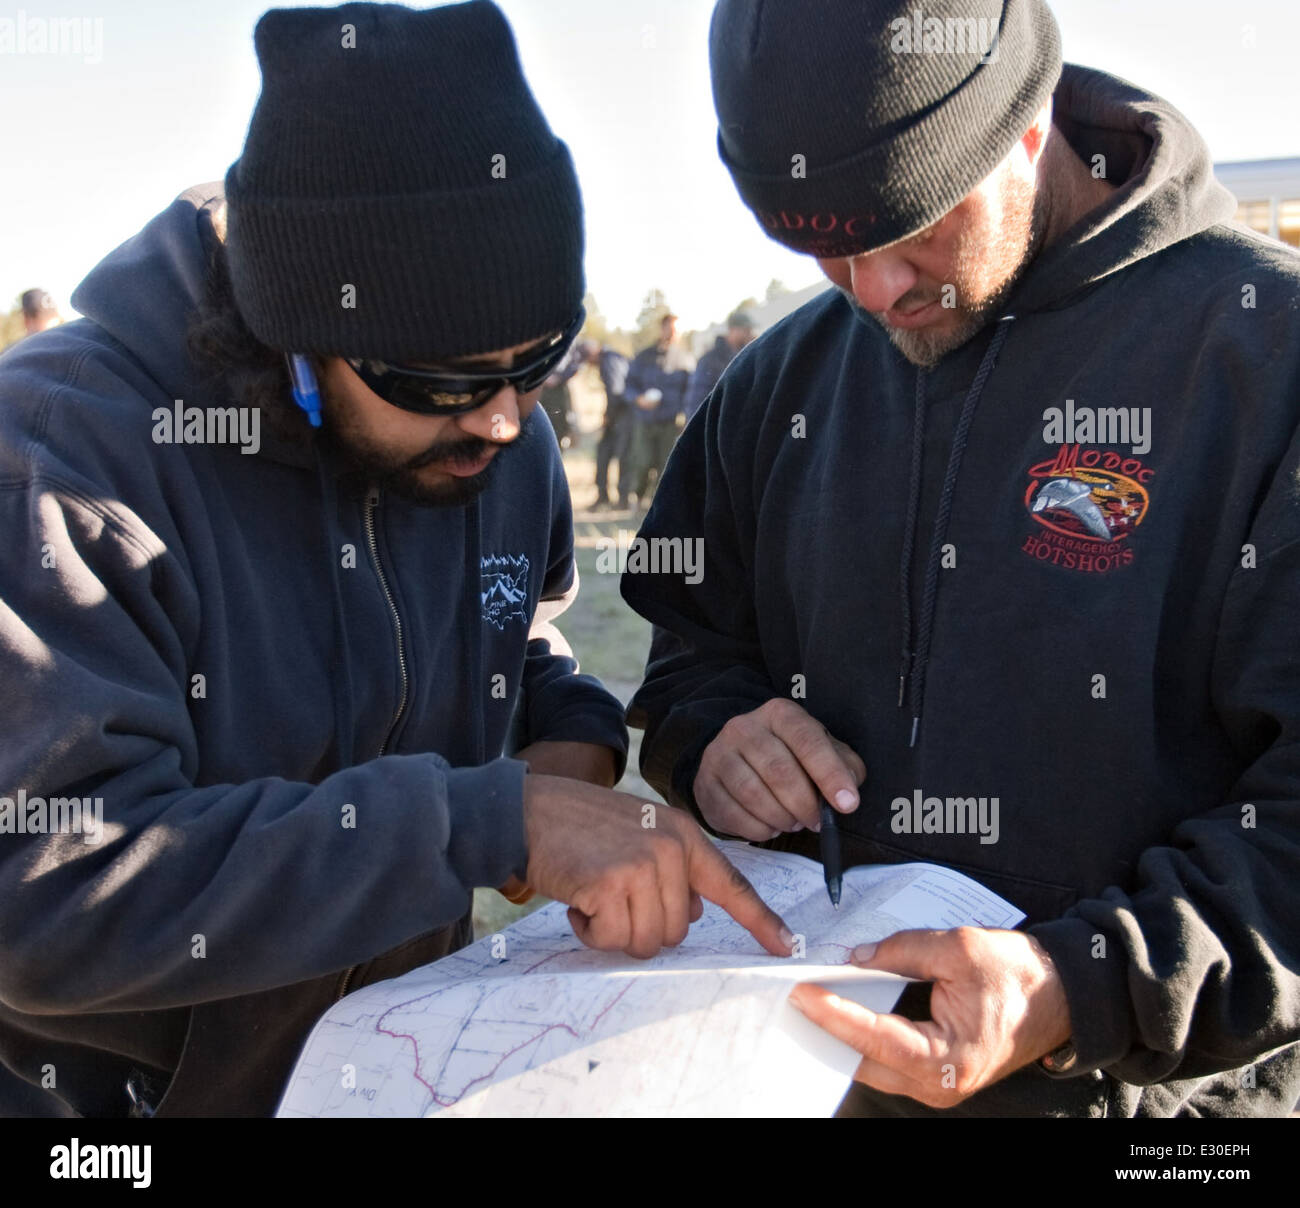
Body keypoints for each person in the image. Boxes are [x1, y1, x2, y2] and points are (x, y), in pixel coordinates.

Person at [0, 0, 790, 1119]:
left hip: (393, 1072)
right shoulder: (64, 457)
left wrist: (559, 718)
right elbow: (45, 897)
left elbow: (503, 629)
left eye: (540, 361)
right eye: (445, 382)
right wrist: (481, 823)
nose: (505, 423)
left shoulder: (494, 445)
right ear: (296, 340)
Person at [622, 0, 1300, 1118]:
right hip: (813, 1078)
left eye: (915, 227)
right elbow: (695, 656)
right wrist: (718, 740)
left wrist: (1075, 988)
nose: (875, 291)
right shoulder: (777, 384)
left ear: (1028, 124)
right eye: (823, 248)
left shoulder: (1261, 362)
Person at [623, 313, 693, 507]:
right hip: (645, 419)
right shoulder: (644, 356)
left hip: (670, 421)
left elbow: (690, 392)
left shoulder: (685, 359)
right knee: (643, 461)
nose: (671, 334)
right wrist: (638, 399)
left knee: (666, 464)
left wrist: (686, 417)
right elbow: (628, 385)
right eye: (669, 330)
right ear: (661, 329)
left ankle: (658, 504)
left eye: (675, 331)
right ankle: (637, 497)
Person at [582, 339, 634, 510]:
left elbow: (615, 391)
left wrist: (608, 417)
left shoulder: (609, 360)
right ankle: (603, 496)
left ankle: (622, 499)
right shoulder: (611, 357)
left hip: (623, 415)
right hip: (618, 414)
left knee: (622, 456)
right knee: (603, 454)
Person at [684, 310, 755, 423]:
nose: (751, 334)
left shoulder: (748, 356)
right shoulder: (709, 360)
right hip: (717, 426)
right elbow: (696, 399)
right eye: (746, 330)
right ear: (733, 330)